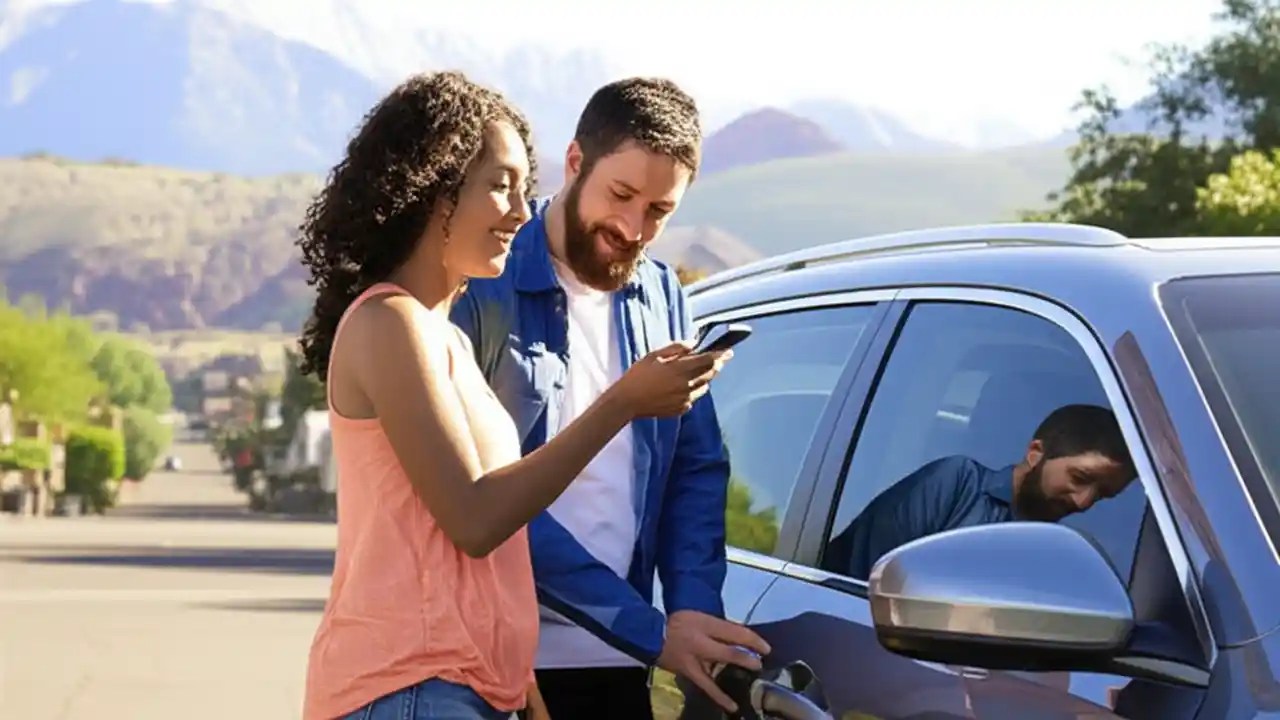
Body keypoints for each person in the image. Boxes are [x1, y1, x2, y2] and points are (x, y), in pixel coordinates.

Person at [296, 71, 731, 720]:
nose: (520, 212)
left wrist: (512, 679)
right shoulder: (395, 324)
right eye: (500, 187)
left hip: (478, 683)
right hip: (409, 685)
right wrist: (622, 403)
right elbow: (477, 518)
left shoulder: (435, 331)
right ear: (434, 188)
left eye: (660, 211)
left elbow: (473, 545)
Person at [452, 77, 770, 720]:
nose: (633, 227)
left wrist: (692, 610)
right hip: (498, 658)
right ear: (574, 164)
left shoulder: (663, 295)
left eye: (659, 211)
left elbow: (694, 467)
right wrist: (647, 628)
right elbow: (481, 495)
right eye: (621, 195)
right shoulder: (484, 283)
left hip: (624, 661)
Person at [825, 403, 1138, 581]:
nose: (1084, 502)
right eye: (1080, 477)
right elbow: (859, 580)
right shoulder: (959, 486)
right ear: (1036, 452)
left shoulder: (1059, 558)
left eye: (1103, 496)